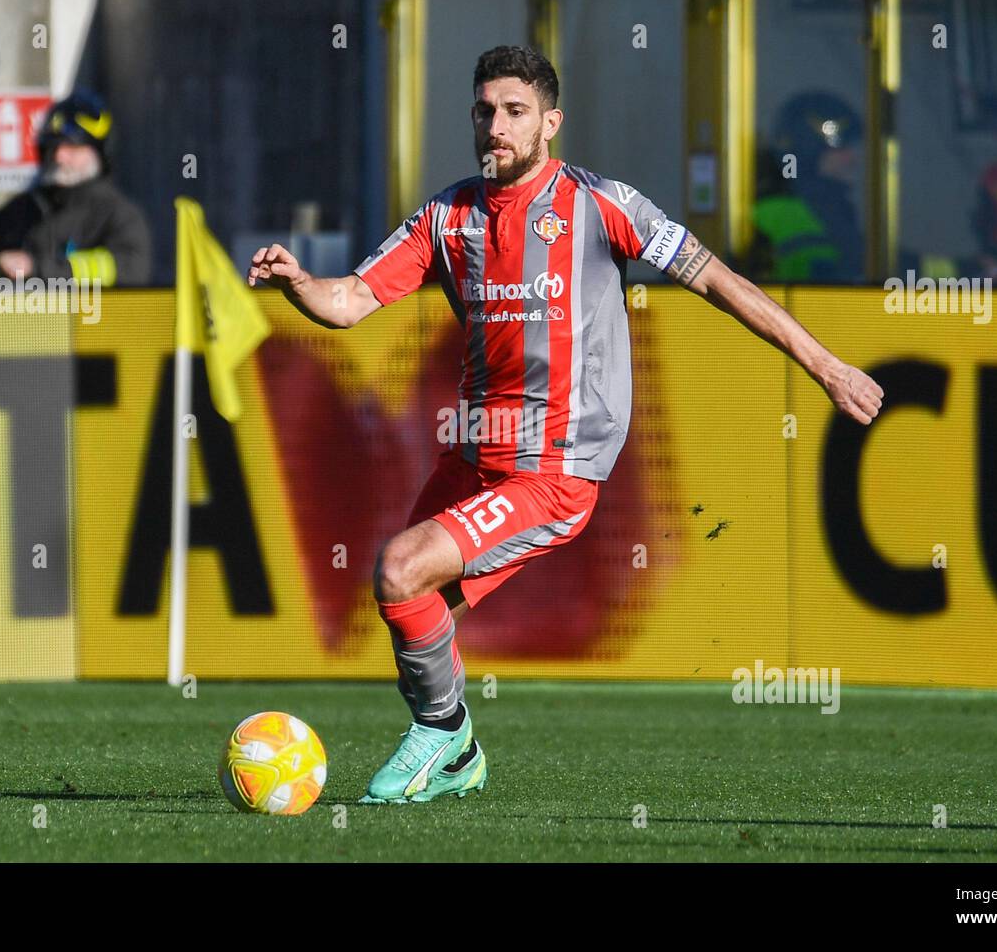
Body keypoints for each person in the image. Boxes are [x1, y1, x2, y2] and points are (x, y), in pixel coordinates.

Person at [248, 46, 883, 804]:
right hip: (476, 457)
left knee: (399, 569)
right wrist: (299, 284)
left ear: (551, 121)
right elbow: (348, 302)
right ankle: (455, 750)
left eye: (515, 111)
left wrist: (827, 366)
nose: (496, 126)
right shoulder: (449, 216)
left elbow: (718, 280)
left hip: (554, 471)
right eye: (484, 111)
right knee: (414, 606)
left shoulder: (599, 204)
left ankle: (444, 737)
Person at [0, 90, 151, 286]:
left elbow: (131, 270)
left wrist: (39, 268)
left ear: (99, 153)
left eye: (72, 148)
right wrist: (0, 266)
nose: (60, 157)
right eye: (53, 147)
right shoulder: (17, 212)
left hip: (92, 316)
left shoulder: (119, 215)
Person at [750, 92, 865, 283]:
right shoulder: (788, 213)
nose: (853, 159)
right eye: (841, 148)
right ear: (808, 151)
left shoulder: (824, 206)